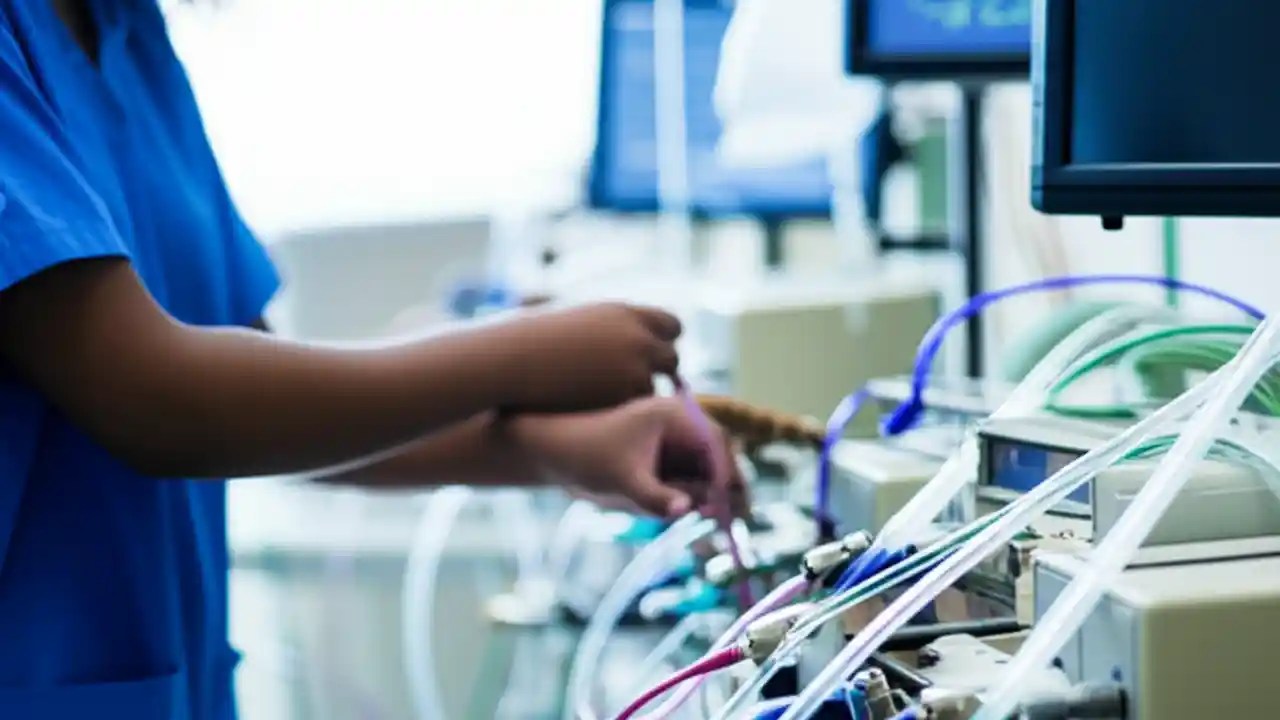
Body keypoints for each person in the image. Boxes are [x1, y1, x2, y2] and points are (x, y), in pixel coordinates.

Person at [0, 1, 742, 718]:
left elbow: (267, 406)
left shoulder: (126, 27)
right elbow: (166, 405)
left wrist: (557, 450)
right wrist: (522, 354)